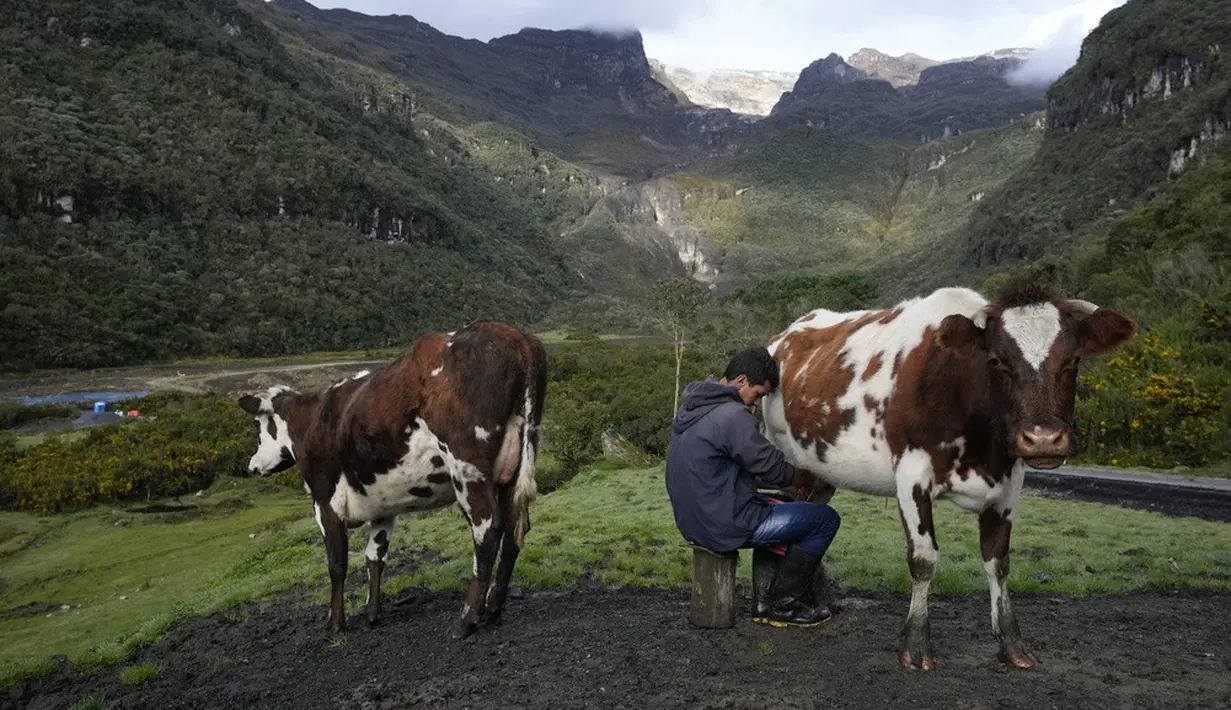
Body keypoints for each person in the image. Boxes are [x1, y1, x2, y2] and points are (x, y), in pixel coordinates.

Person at [665, 347, 841, 627]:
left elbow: (729, 467)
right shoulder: (732, 415)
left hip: (695, 518)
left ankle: (762, 603)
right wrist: (812, 478)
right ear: (741, 381)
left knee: (782, 503)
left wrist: (784, 490)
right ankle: (785, 605)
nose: (757, 404)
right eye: (759, 394)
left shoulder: (694, 408)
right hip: (722, 523)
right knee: (824, 520)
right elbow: (772, 466)